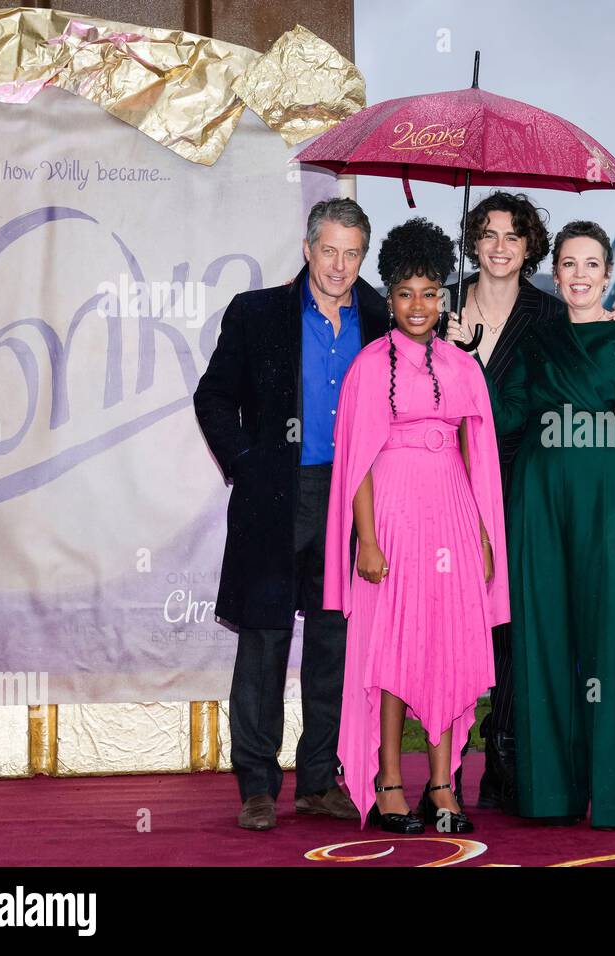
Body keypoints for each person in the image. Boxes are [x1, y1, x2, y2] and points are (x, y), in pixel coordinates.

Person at [194, 198, 388, 831]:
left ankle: (317, 781)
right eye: (328, 250)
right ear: (307, 249)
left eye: (351, 253)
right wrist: (247, 464)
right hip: (277, 494)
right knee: (264, 638)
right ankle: (256, 785)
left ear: (364, 256)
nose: (338, 265)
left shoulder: (384, 316)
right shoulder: (257, 313)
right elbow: (213, 397)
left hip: (352, 495)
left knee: (335, 640)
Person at [322, 218, 508, 835]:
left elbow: (478, 459)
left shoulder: (463, 368)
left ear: (444, 298)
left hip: (451, 515)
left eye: (431, 292)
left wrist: (483, 538)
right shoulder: (368, 368)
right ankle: (389, 780)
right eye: (405, 293)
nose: (418, 305)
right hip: (393, 522)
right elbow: (358, 465)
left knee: (448, 647)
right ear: (389, 296)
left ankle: (442, 784)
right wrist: (367, 540)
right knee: (393, 650)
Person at [479, 220, 615, 828]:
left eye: (591, 264)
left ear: (608, 274)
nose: (579, 275)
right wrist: (467, 359)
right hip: (537, 499)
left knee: (611, 639)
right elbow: (505, 418)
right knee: (542, 640)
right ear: (553, 274)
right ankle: (550, 794)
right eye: (568, 264)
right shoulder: (537, 339)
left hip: (609, 500)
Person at [444, 191, 563, 814]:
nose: (498, 246)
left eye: (512, 236)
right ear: (474, 240)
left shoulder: (547, 313)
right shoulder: (438, 306)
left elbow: (543, 400)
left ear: (528, 246)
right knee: (456, 629)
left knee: (512, 626)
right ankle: (447, 772)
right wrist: (453, 351)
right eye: (487, 233)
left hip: (521, 487)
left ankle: (508, 757)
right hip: (445, 486)